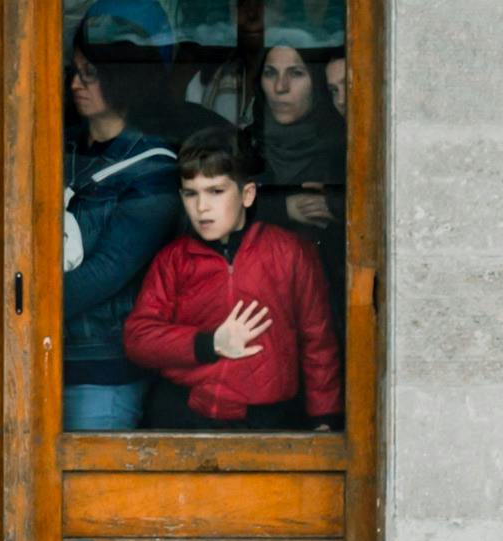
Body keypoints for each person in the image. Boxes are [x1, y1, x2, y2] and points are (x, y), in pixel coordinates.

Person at [120, 130, 339, 430]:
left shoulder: (291, 252)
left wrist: (324, 418)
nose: (201, 207)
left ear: (247, 195)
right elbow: (138, 340)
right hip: (185, 414)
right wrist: (210, 343)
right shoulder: (173, 259)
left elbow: (318, 340)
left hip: (268, 420)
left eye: (216, 191)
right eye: (191, 193)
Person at [61, 47, 185, 430]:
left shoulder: (153, 166)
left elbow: (108, 270)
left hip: (103, 366)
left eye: (90, 73)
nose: (75, 84)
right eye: (75, 71)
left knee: (90, 486)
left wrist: (19, 308)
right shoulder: (54, 146)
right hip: (36, 355)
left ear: (122, 77)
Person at [252, 41, 344, 260]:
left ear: (318, 82)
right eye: (270, 73)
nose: (280, 87)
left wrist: (340, 206)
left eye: (296, 73)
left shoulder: (349, 149)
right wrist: (283, 208)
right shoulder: (246, 145)